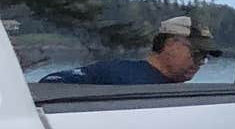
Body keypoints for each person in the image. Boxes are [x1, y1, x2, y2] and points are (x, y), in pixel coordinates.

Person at [40, 15, 223, 85]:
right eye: (196, 54)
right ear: (170, 44)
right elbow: (51, 83)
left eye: (204, 58)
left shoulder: (179, 92)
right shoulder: (115, 73)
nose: (198, 63)